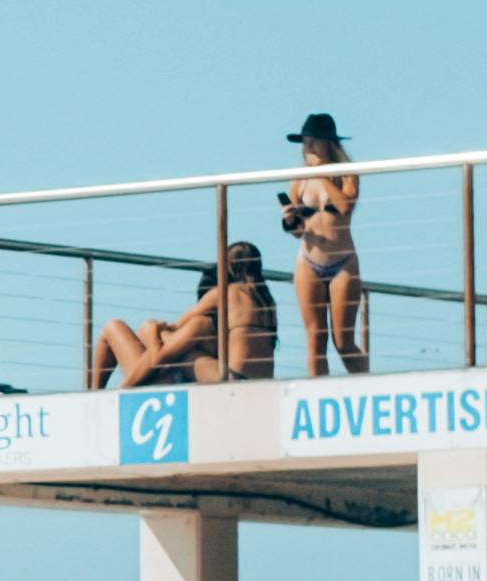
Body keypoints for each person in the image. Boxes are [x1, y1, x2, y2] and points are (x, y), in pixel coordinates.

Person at [89, 246, 278, 391]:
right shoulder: (267, 302)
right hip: (262, 383)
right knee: (176, 347)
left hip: (231, 379)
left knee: (118, 328)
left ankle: (96, 394)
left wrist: (153, 332)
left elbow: (177, 327)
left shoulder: (222, 298)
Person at [279, 116, 366, 378]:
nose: (307, 147)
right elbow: (298, 232)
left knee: (343, 341)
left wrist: (321, 173)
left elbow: (344, 206)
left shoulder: (346, 174)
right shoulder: (298, 180)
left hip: (342, 261)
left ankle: (367, 384)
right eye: (304, 142)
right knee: (315, 339)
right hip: (309, 259)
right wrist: (290, 218)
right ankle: (316, 392)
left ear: (327, 143)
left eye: (312, 141)